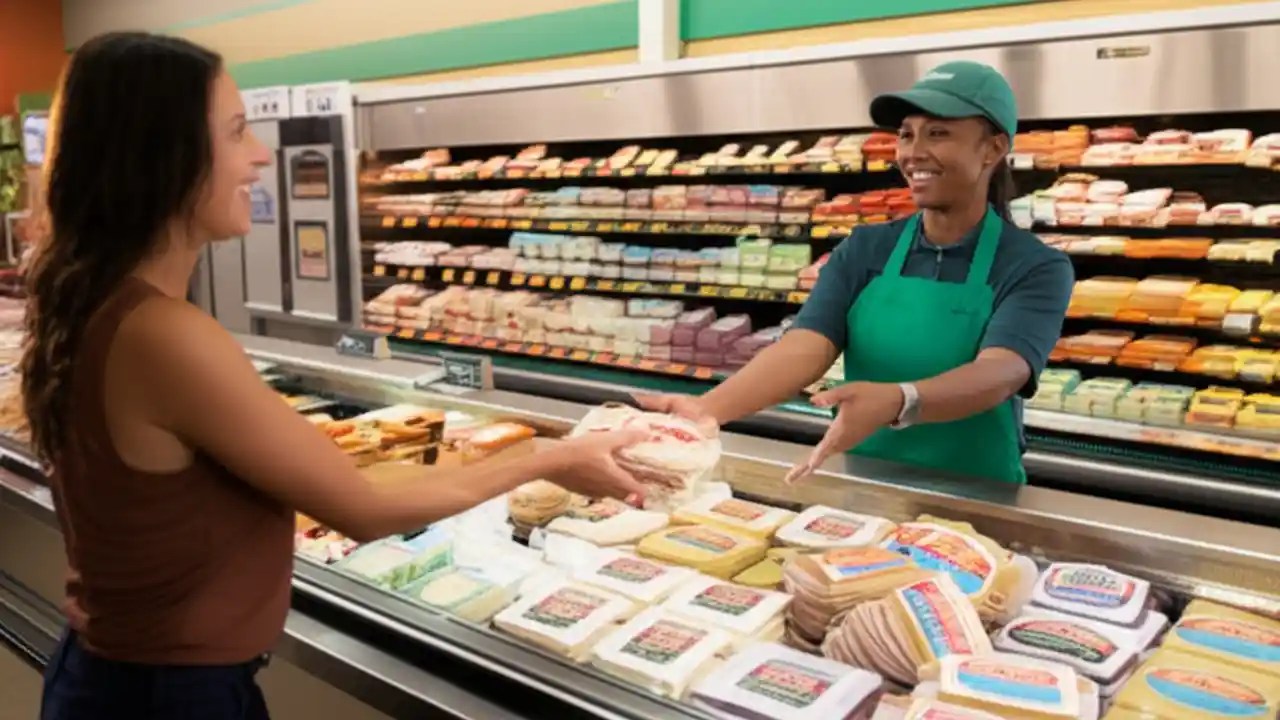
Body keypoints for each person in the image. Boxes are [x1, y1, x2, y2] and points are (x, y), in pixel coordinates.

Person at [23, 33, 646, 719]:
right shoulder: (163, 335)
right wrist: (552, 458)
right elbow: (365, 509)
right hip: (167, 698)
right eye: (235, 131)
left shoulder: (103, 306)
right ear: (161, 155)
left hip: (122, 678)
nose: (260, 154)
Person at [642, 61, 1073, 485]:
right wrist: (708, 409)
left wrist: (901, 399)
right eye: (906, 135)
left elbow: (1001, 371)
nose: (913, 152)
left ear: (993, 149)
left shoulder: (1034, 265)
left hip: (979, 494)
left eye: (938, 133)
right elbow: (807, 345)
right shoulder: (866, 248)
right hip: (866, 484)